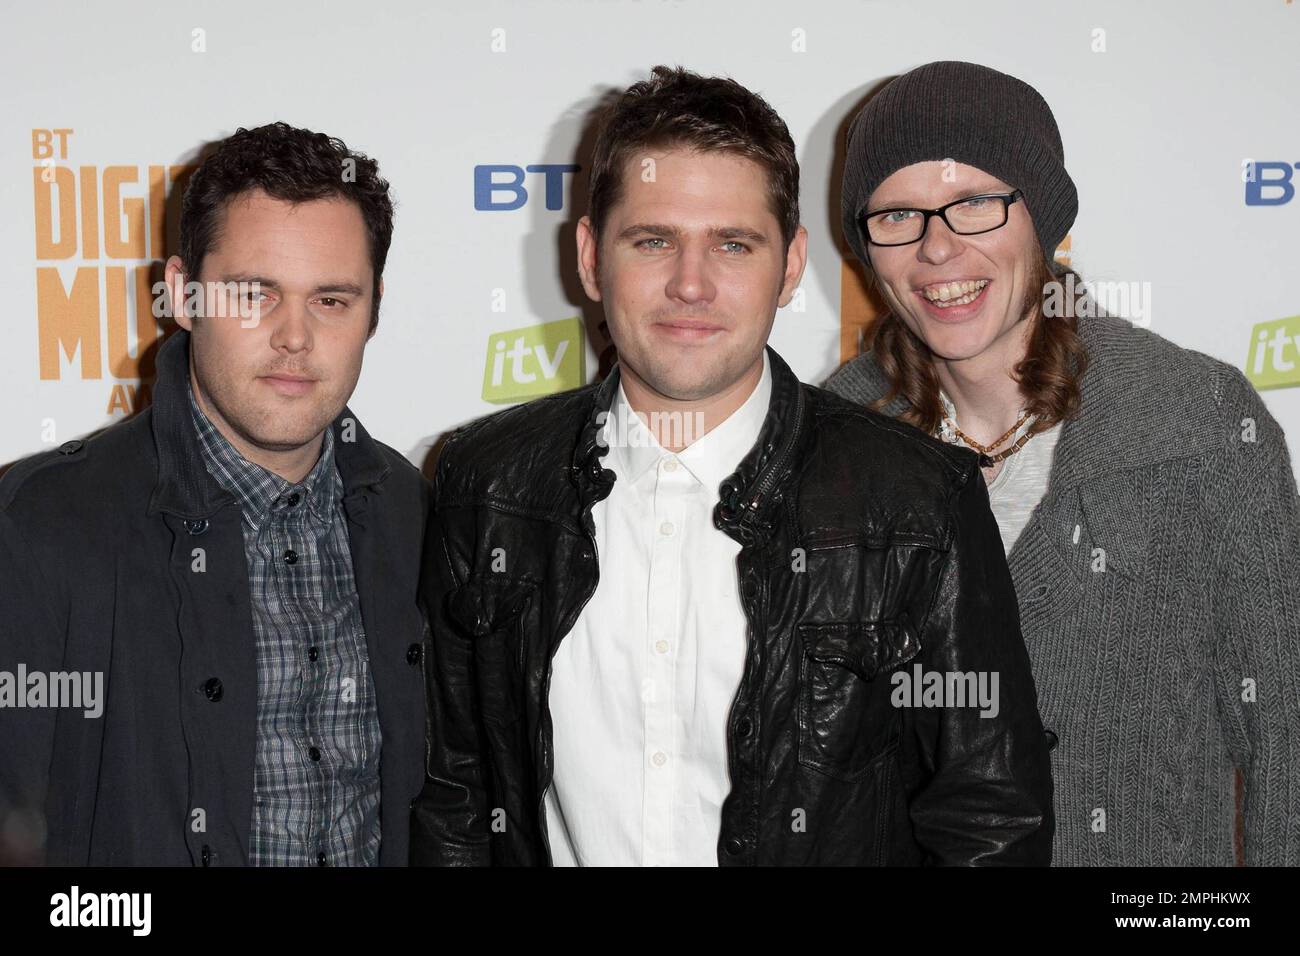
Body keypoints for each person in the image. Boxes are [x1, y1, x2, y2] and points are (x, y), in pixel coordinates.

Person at [412, 65, 1052, 866]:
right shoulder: (487, 483)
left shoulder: (919, 501)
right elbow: (456, 798)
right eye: (652, 241)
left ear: (788, 267)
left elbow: (989, 821)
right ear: (588, 256)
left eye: (733, 244)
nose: (691, 284)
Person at [825, 60, 1300, 865]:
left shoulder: (1200, 421)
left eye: (975, 203)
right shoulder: (835, 438)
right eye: (897, 214)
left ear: (1041, 220)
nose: (937, 246)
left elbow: (1286, 739)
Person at [0, 122, 429, 866]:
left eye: (331, 300)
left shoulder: (412, 511)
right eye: (252, 294)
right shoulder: (43, 524)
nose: (293, 337)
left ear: (374, 308)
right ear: (181, 294)